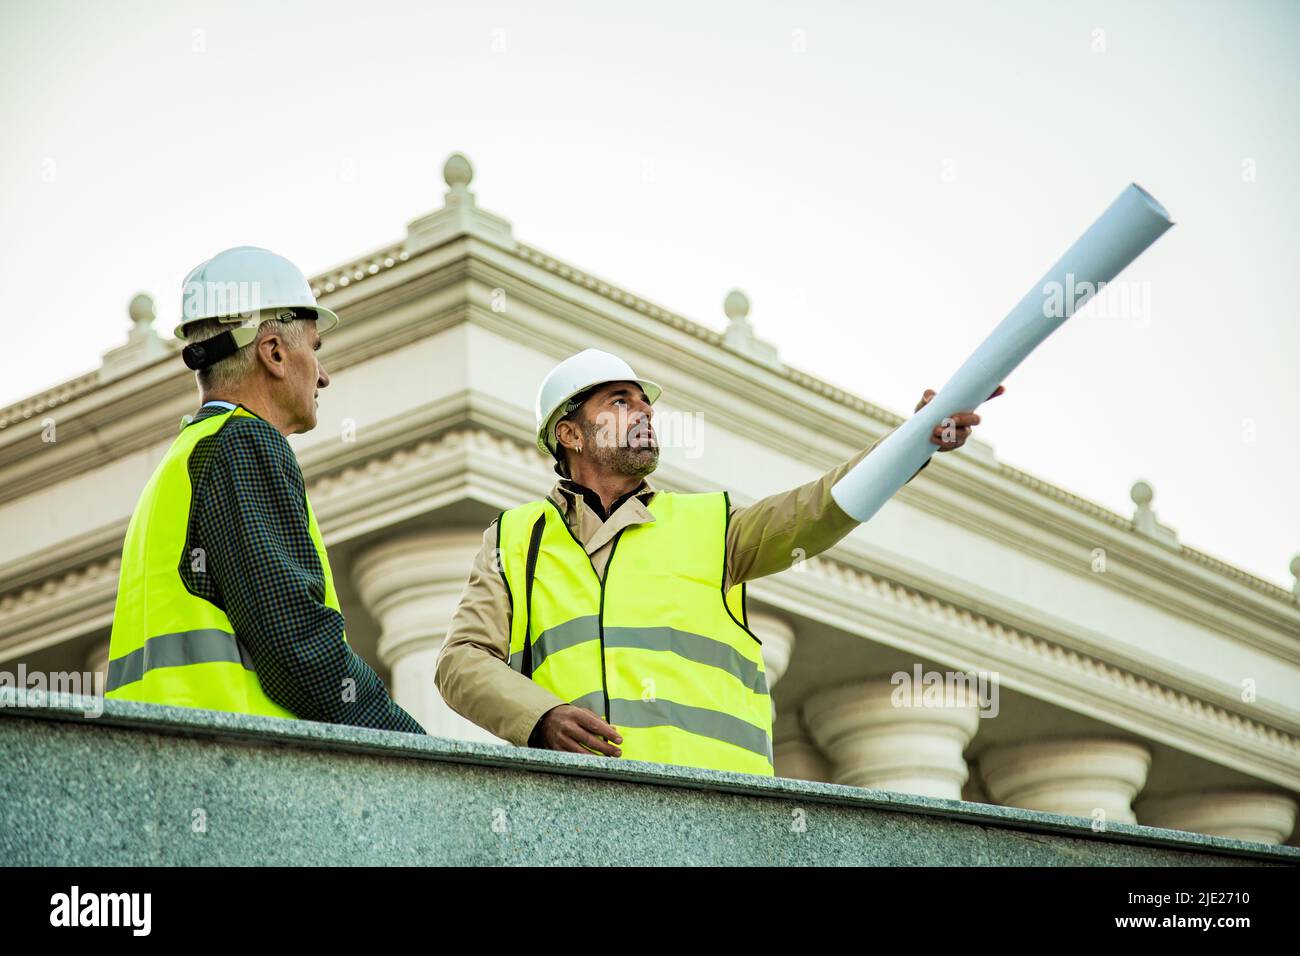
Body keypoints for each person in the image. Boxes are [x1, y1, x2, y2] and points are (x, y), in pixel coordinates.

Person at [437, 348, 1000, 773]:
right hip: (578, 817)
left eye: (645, 403)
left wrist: (911, 443)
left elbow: (818, 510)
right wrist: (541, 717)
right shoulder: (515, 540)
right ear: (569, 433)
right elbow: (460, 660)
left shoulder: (714, 528)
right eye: (618, 402)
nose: (644, 414)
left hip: (719, 820)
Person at [106, 246, 423, 734]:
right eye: (314, 349)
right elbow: (297, 643)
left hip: (167, 767)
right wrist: (414, 750)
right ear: (274, 352)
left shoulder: (183, 461)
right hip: (240, 770)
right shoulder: (243, 444)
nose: (323, 374)